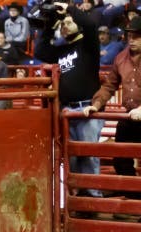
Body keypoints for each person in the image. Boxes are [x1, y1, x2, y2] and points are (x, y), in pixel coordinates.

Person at [35, 2, 104, 199]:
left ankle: (92, 200)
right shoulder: (61, 49)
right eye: (62, 24)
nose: (64, 26)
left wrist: (70, 9)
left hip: (87, 109)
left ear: (78, 24)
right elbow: (40, 51)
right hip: (67, 111)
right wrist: (49, 25)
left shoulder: (88, 45)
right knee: (71, 158)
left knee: (89, 156)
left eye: (68, 23)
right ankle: (75, 200)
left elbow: (91, 25)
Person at [85, 16, 141, 207]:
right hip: (130, 117)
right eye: (130, 35)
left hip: (138, 113)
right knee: (120, 159)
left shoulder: (121, 57)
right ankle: (136, 203)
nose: (132, 39)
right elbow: (109, 85)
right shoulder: (120, 58)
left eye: (137, 36)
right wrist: (97, 103)